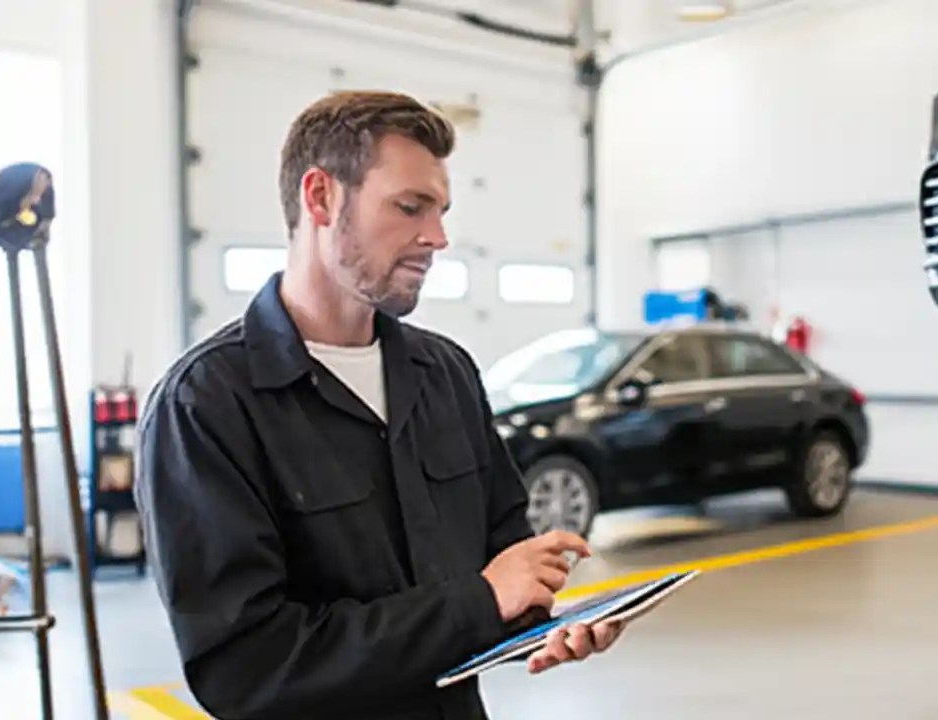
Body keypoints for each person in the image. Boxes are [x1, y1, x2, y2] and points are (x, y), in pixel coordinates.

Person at [134, 90, 624, 720]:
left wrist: (543, 624)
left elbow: (500, 569)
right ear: (321, 197)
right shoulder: (205, 405)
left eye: (440, 211)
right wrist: (479, 603)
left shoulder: (446, 375)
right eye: (409, 207)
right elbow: (245, 668)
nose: (437, 237)